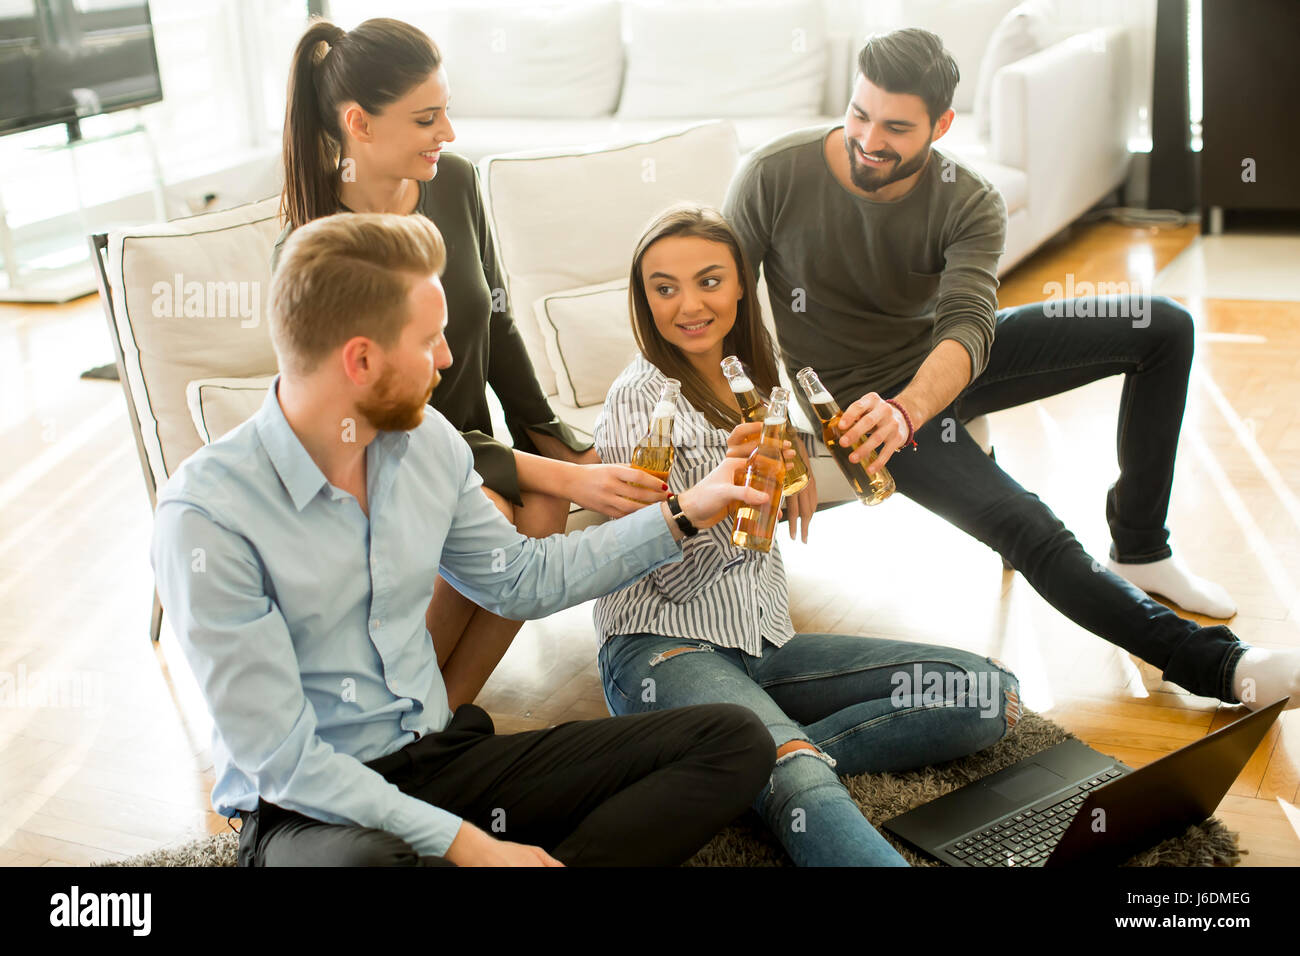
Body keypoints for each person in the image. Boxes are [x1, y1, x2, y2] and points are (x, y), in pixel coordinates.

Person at [151, 211, 778, 867]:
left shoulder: (427, 443)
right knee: (369, 863)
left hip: (441, 760)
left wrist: (687, 511)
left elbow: (525, 580)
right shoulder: (207, 516)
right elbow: (283, 761)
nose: (447, 360)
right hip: (309, 807)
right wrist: (470, 845)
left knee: (733, 740)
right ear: (361, 360)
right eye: (429, 341)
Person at [722, 28, 1300, 712]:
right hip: (860, 411)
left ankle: (1140, 547)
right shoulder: (772, 175)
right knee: (1026, 522)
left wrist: (913, 405)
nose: (869, 139)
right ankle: (1217, 667)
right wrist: (771, 427)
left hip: (940, 372)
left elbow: (970, 323)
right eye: (859, 113)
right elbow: (729, 315)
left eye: (897, 127)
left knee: (1163, 327)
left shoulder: (968, 198)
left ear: (942, 126)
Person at [593, 204, 1022, 866]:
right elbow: (652, 574)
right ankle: (778, 764)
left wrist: (792, 472)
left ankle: (749, 763)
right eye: (663, 287)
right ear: (642, 297)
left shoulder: (757, 381)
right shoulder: (640, 398)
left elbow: (790, 500)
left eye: (709, 281)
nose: (688, 305)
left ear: (740, 284)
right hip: (662, 650)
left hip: (763, 640)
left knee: (983, 693)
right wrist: (733, 501)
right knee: (797, 777)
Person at [274, 18, 667, 709]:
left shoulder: (451, 182)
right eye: (427, 118)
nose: (448, 133)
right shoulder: (317, 250)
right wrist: (560, 473)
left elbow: (496, 315)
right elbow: (385, 425)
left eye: (446, 110)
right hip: (377, 462)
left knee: (543, 504)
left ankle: (443, 717)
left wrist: (549, 436)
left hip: (468, 442)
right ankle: (394, 721)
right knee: (486, 512)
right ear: (359, 124)